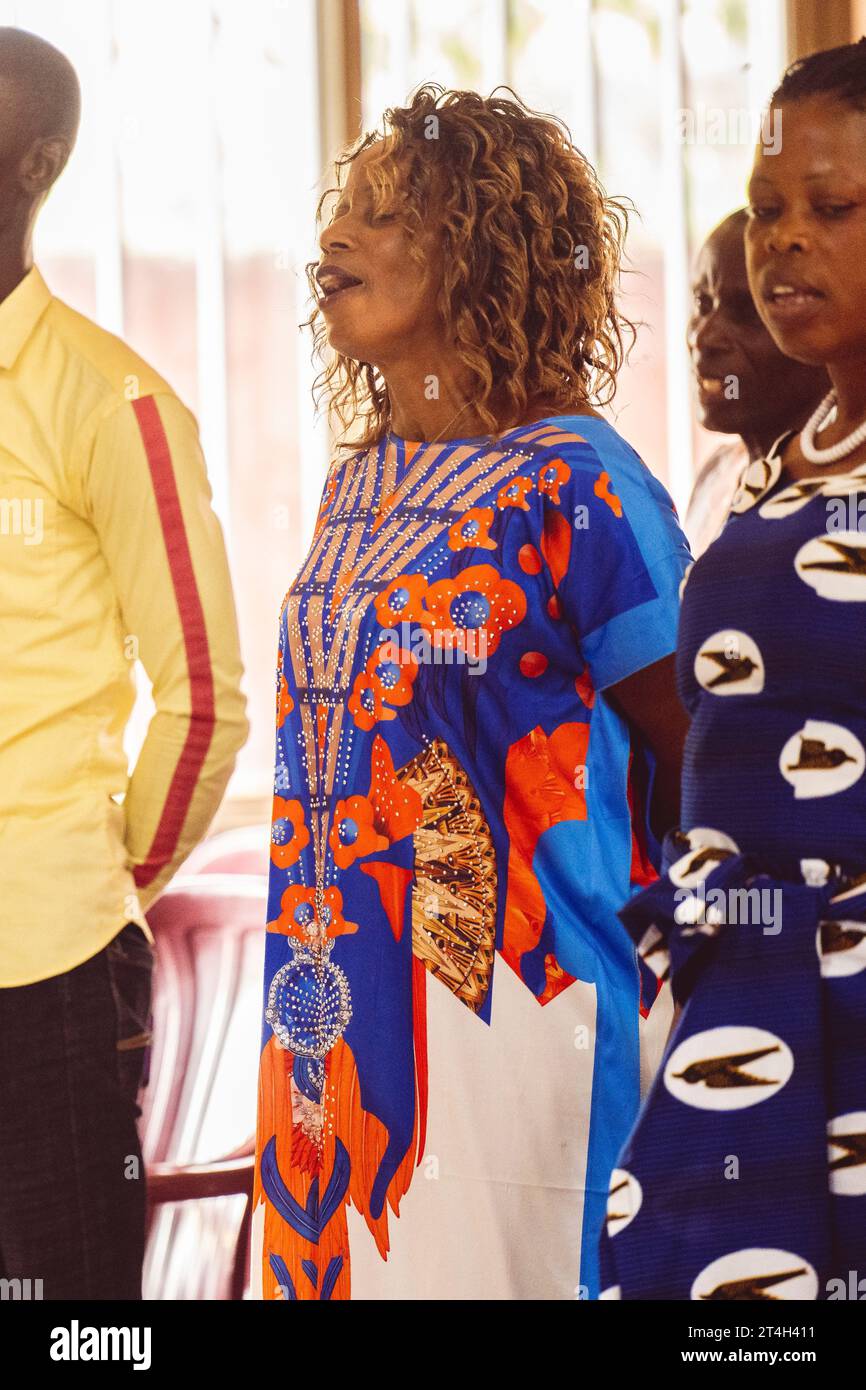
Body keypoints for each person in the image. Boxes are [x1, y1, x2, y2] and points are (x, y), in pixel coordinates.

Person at [251, 84, 691, 1301]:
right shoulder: (360, 487)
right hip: (327, 1027)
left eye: (385, 216)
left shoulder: (582, 486)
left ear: (483, 254)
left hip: (515, 1025)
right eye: (337, 214)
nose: (333, 241)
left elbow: (704, 759)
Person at [600, 40, 866, 1301]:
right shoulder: (789, 451)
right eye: (765, 210)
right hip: (740, 993)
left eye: (830, 209)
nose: (781, 244)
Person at [0, 29, 248, 1300]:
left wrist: (99, 885)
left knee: (77, 1313)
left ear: (37, 160)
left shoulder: (111, 404)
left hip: (43, 968)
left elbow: (204, 699)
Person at [685, 209, 827, 555]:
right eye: (703, 303)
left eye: (747, 312)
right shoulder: (716, 476)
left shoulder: (845, 498)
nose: (704, 337)